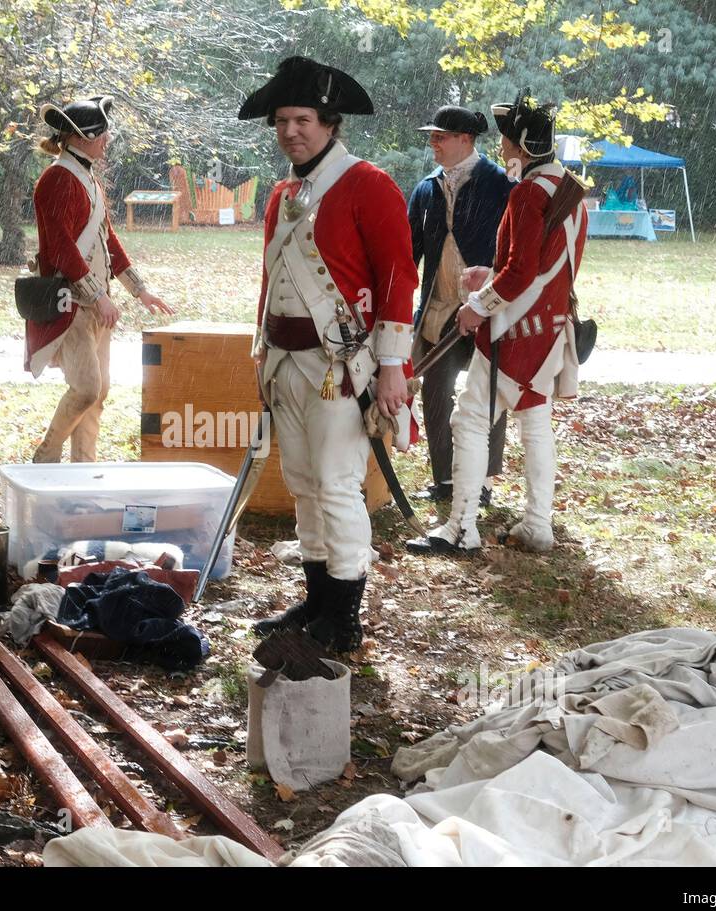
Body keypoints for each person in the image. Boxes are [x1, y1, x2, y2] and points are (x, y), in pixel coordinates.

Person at [238, 57, 418, 652]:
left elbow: (398, 278)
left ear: (331, 123)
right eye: (283, 121)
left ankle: (343, 619)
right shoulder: (284, 194)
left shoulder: (369, 183)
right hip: (286, 361)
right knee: (302, 484)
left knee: (338, 486)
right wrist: (262, 347)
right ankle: (317, 604)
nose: (291, 131)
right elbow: (271, 277)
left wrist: (392, 365)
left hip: (342, 366)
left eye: (303, 119)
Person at [423, 89, 588, 556]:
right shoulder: (569, 191)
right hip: (550, 328)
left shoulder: (528, 194)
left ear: (522, 147)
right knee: (535, 425)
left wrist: (478, 303)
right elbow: (546, 266)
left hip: (514, 331)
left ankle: (460, 527)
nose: (503, 149)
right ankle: (537, 524)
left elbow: (522, 272)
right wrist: (492, 274)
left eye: (508, 142)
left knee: (470, 420)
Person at [25, 94, 174, 463]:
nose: (108, 141)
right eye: (103, 134)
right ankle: (46, 454)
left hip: (96, 304)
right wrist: (98, 298)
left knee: (99, 392)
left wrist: (140, 290)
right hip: (73, 304)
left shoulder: (86, 176)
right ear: (82, 137)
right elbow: (61, 251)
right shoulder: (57, 180)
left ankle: (83, 468)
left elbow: (106, 240)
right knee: (87, 389)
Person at [404, 106, 514, 554]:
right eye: (432, 136)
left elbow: (513, 250)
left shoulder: (499, 185)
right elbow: (409, 249)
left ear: (466, 139)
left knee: (488, 395)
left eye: (442, 136)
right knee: (435, 388)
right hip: (440, 303)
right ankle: (445, 477)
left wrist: (489, 290)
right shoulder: (426, 187)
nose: (434, 143)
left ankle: (483, 479)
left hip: (487, 305)